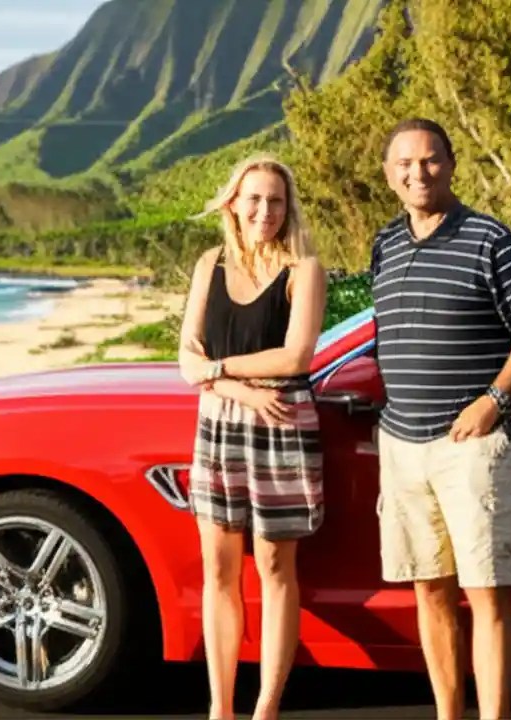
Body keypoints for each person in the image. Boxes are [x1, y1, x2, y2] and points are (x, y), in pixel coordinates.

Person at [369, 118, 511, 719]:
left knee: (487, 595)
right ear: (388, 173)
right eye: (404, 163)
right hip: (402, 446)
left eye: (429, 161)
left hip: (472, 447)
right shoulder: (385, 244)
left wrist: (493, 401)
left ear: (451, 165)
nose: (417, 173)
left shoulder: (490, 239)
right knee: (429, 590)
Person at [177, 154, 327, 720]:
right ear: (233, 204)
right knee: (219, 570)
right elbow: (188, 361)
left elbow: (296, 356)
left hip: (281, 423)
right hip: (219, 424)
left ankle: (265, 707)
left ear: (289, 210)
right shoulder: (207, 264)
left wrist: (217, 370)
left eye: (277, 201)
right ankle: (221, 708)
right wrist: (234, 385)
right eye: (255, 199)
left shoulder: (303, 269)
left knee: (274, 567)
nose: (265, 211)